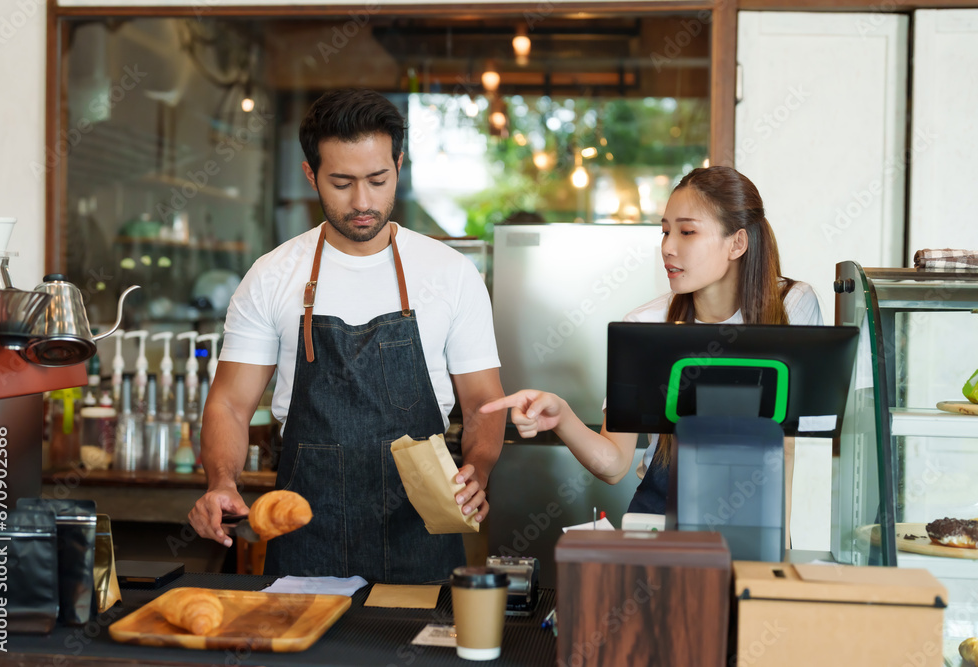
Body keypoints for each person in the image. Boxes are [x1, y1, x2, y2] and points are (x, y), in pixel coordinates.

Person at [189, 89, 506, 583]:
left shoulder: (451, 273)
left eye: (378, 180)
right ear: (311, 174)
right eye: (341, 182)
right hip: (306, 533)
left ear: (398, 165)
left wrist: (478, 469)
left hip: (421, 528)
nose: (363, 202)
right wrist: (221, 482)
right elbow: (229, 404)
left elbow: (484, 401)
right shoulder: (272, 276)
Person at [480, 165, 823, 518]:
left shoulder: (790, 306)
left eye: (687, 232)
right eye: (665, 232)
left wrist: (776, 552)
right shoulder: (645, 324)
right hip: (658, 514)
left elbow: (787, 448)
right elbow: (613, 464)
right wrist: (562, 416)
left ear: (736, 243)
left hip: (755, 515)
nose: (668, 248)